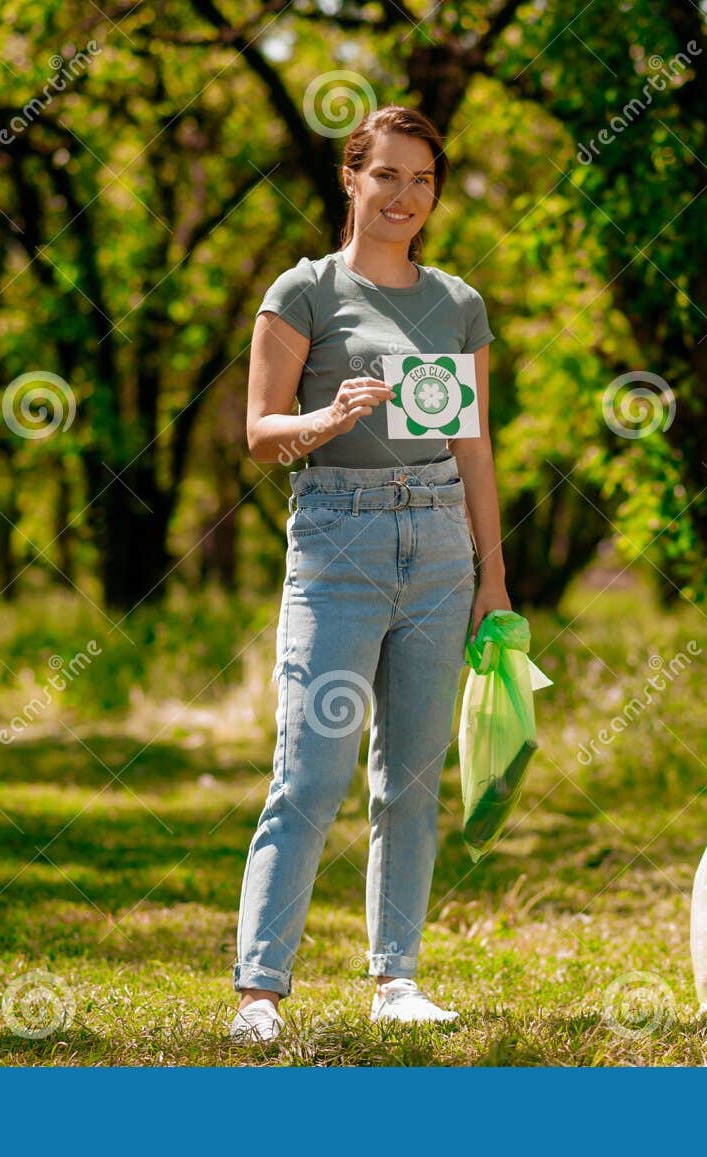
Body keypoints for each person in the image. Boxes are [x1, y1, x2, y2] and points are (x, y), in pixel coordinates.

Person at [230, 106, 511, 1043]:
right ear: (350, 180)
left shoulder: (458, 303)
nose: (404, 196)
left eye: (422, 179)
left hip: (439, 545)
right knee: (309, 772)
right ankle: (261, 990)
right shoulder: (304, 291)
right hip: (336, 541)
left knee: (412, 777)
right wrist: (325, 421)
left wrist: (492, 576)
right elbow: (260, 433)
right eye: (385, 175)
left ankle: (397, 978)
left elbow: (474, 446)